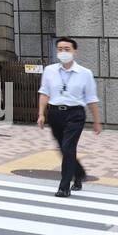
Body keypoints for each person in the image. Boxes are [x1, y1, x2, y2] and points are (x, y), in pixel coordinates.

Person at [36, 36, 101, 197]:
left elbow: (91, 99)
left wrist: (97, 121)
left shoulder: (85, 73)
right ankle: (78, 174)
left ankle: (64, 187)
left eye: (67, 49)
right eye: (60, 49)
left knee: (68, 148)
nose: (63, 52)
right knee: (64, 149)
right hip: (55, 114)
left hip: (75, 114)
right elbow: (44, 93)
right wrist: (41, 114)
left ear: (74, 51)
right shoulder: (49, 71)